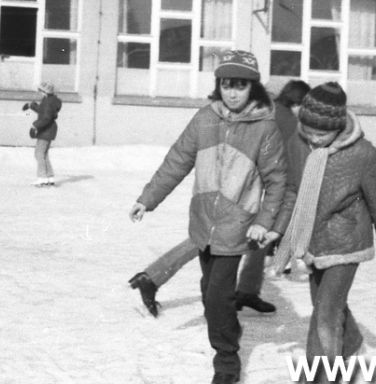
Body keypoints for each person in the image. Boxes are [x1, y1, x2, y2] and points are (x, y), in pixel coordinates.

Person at [129, 49, 287, 384]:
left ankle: (227, 364)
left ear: (253, 88)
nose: (233, 93)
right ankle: (226, 338)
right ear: (219, 85)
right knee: (209, 294)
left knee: (217, 297)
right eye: (227, 85)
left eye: (241, 86)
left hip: (237, 226)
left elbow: (277, 182)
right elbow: (177, 160)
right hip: (202, 223)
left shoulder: (265, 128)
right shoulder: (204, 118)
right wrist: (148, 198)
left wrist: (264, 220)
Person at [127, 79, 310, 318]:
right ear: (298, 103)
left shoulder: (270, 110)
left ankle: (246, 290)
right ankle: (153, 277)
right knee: (218, 237)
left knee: (248, 238)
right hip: (248, 186)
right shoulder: (284, 120)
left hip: (249, 184)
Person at [272, 82, 376, 384]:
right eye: (308, 130)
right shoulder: (298, 141)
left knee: (325, 314)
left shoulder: (362, 154)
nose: (314, 138)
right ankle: (353, 342)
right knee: (325, 304)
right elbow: (292, 191)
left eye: (321, 134)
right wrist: (280, 231)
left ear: (338, 126)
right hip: (313, 239)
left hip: (347, 242)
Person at [22, 81, 62, 186]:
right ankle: (50, 177)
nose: (39, 92)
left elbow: (46, 117)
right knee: (44, 154)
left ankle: (42, 178)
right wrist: (31, 105)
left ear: (45, 91)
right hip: (49, 129)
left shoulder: (48, 102)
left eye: (40, 91)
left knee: (39, 154)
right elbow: (42, 111)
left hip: (46, 130)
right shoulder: (49, 100)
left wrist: (35, 126)